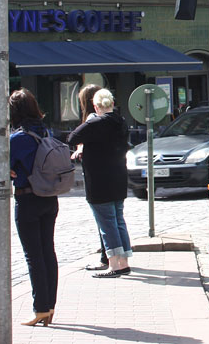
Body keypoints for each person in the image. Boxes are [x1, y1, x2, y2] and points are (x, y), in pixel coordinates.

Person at [68, 88, 132, 278]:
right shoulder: (121, 121)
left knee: (107, 223)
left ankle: (114, 265)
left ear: (95, 106)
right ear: (112, 103)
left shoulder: (95, 122)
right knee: (118, 220)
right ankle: (124, 261)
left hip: (99, 180)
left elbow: (72, 138)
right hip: (119, 178)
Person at [8, 88, 58, 327]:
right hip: (49, 198)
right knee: (48, 251)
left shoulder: (17, 139)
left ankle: (39, 308)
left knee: (34, 256)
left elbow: (2, 167)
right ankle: (50, 307)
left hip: (27, 198)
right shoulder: (45, 131)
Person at [76, 84, 108, 272]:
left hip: (95, 173)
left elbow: (76, 139)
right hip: (107, 172)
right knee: (110, 216)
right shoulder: (105, 119)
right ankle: (108, 249)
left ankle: (106, 254)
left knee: (102, 215)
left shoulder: (91, 119)